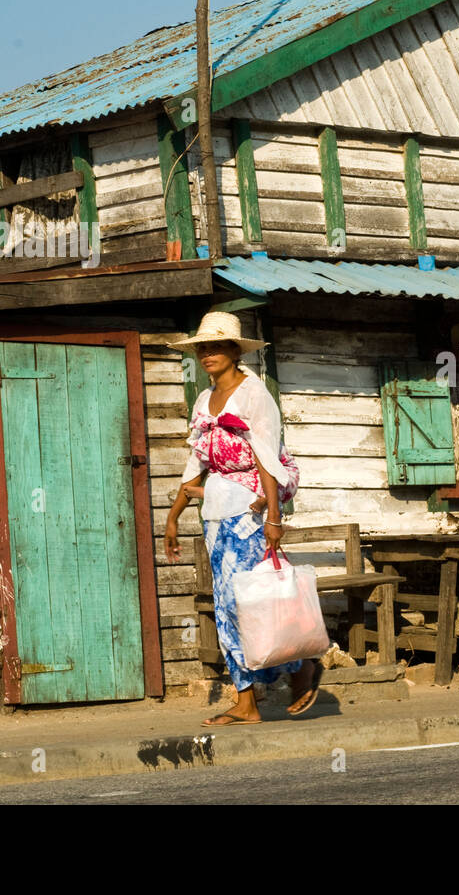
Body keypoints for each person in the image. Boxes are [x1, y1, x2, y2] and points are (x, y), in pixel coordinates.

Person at [163, 310, 321, 725]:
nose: (208, 354)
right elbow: (195, 462)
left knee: (257, 601)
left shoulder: (254, 395)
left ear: (235, 351)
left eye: (216, 346)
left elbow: (266, 456)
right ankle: (246, 701)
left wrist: (274, 515)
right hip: (215, 512)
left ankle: (302, 667)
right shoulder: (203, 400)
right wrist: (174, 517)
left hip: (249, 512)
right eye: (202, 348)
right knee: (227, 606)